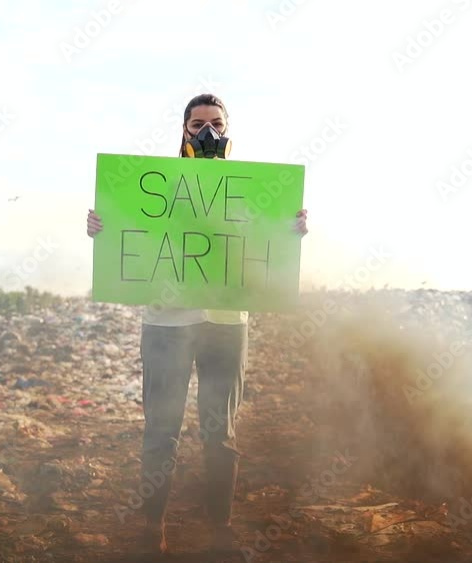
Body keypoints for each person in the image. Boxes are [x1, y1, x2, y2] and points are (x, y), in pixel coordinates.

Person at [87, 93, 308, 555]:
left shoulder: (256, 190)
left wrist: (290, 232)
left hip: (226, 324)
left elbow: (264, 246)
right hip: (167, 322)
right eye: (197, 125)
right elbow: (131, 233)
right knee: (160, 429)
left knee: (220, 430)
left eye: (216, 123)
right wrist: (101, 228)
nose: (207, 133)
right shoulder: (156, 186)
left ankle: (219, 529)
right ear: (183, 132)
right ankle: (153, 528)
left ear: (229, 131)